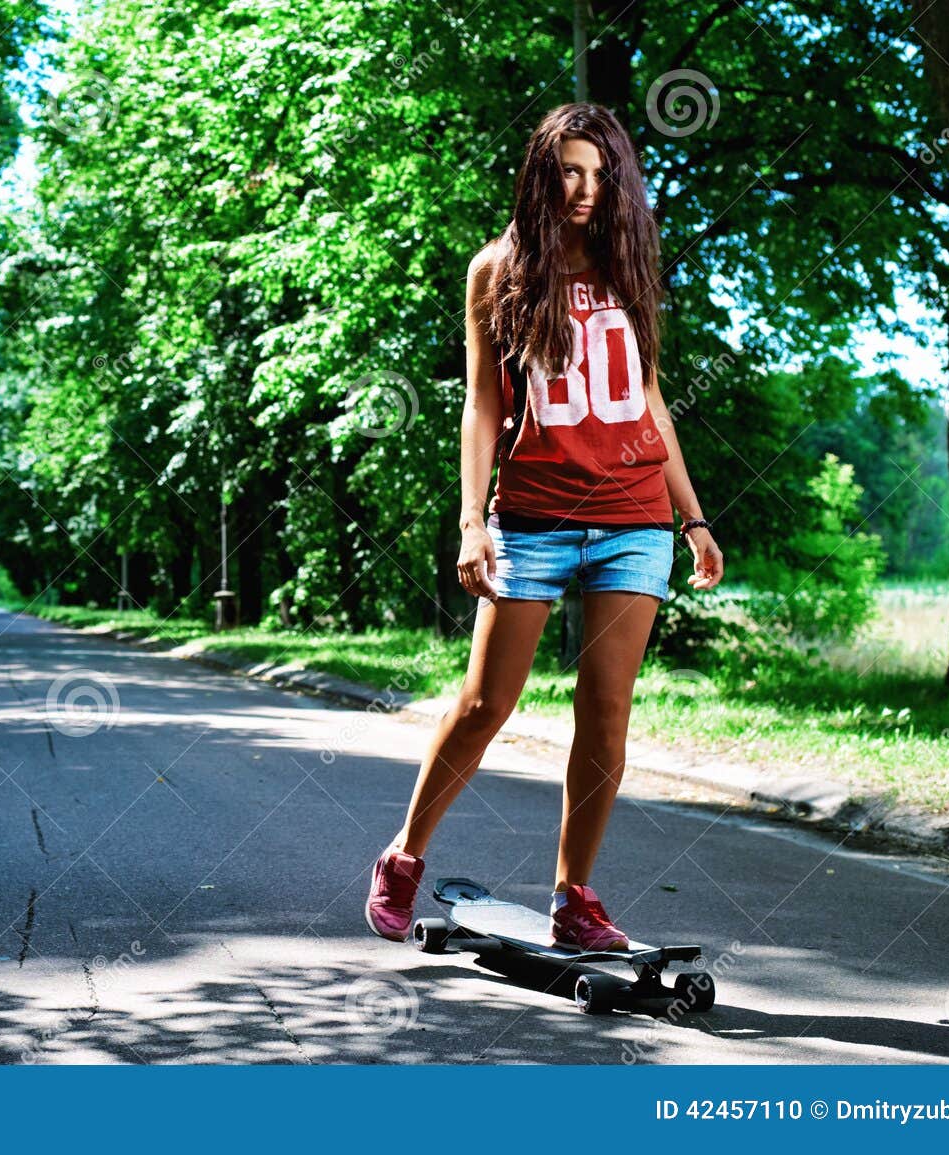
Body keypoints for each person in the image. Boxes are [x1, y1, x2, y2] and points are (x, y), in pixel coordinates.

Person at [365, 103, 724, 950]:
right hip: (530, 518)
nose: (585, 189)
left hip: (634, 516)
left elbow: (649, 402)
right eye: (569, 169)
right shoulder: (497, 270)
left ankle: (574, 895)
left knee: (606, 710)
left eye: (600, 175)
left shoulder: (629, 264)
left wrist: (694, 517)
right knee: (488, 701)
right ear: (540, 172)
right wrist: (469, 523)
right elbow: (483, 406)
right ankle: (405, 855)